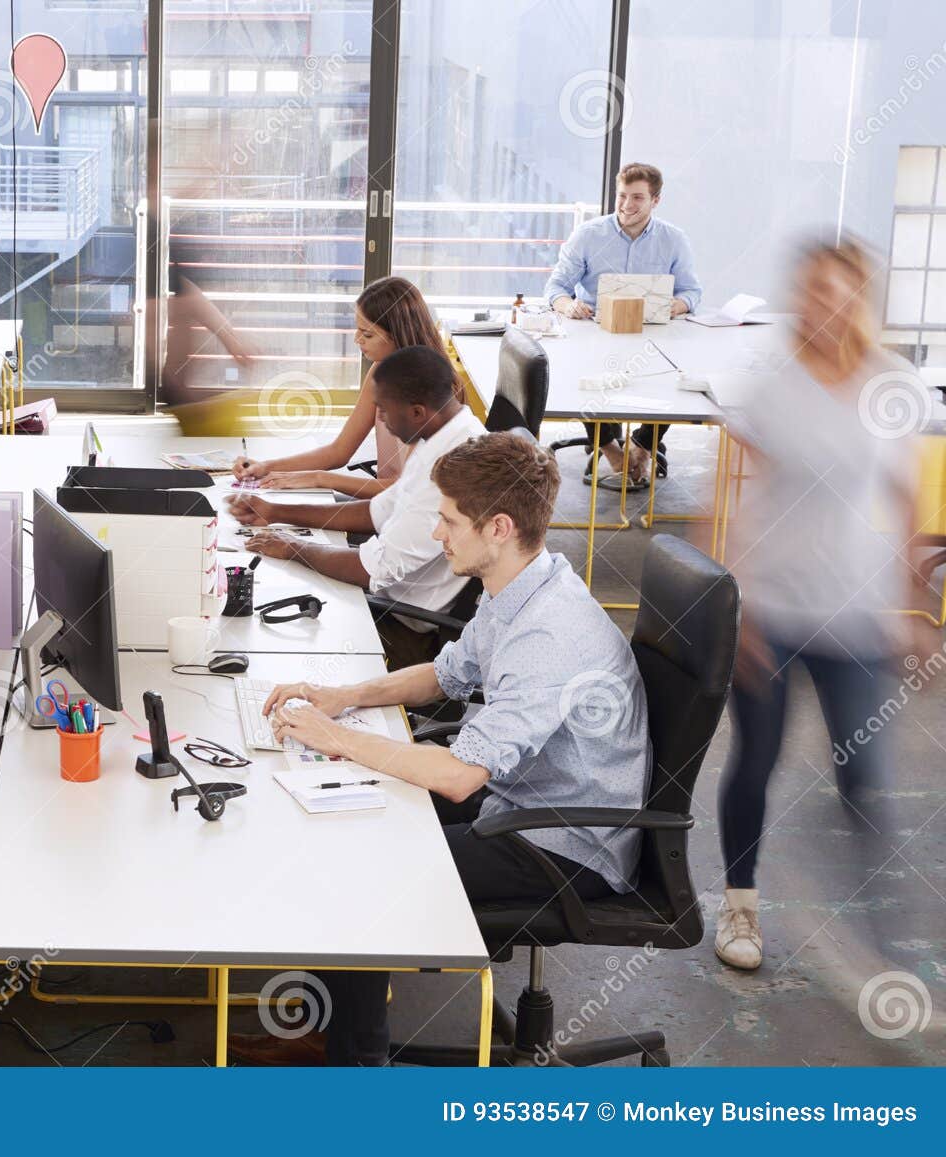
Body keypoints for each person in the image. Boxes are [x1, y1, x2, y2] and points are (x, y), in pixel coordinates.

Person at [227, 433, 651, 1066]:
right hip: (521, 797)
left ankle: (354, 1069)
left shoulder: (549, 635)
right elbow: (446, 674)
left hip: (566, 841)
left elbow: (457, 777)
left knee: (374, 872)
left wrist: (336, 738)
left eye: (449, 521)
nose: (436, 534)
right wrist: (342, 696)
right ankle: (331, 1028)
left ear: (498, 527)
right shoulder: (523, 584)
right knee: (350, 824)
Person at [712, 240, 930, 973]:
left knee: (864, 776)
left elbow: (906, 500)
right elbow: (740, 501)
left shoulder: (892, 384)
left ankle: (889, 942)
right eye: (809, 291)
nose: (820, 306)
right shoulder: (774, 386)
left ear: (859, 299)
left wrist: (911, 606)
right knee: (755, 761)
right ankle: (740, 905)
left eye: (835, 292)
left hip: (856, 614)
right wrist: (738, 604)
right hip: (772, 611)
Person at [224, 346, 485, 668]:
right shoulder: (440, 436)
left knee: (270, 636)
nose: (382, 420)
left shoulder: (456, 465)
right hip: (385, 598)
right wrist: (275, 512)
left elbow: (372, 569)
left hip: (402, 627)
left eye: (384, 410)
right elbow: (376, 511)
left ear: (417, 412)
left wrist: (292, 547)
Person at [543, 162, 702, 486]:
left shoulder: (673, 239)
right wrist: (568, 305)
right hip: (597, 333)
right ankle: (611, 450)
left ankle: (643, 445)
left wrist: (679, 304)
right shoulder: (588, 235)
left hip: (651, 334)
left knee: (674, 376)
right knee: (586, 379)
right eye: (622, 196)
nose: (627, 205)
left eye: (638, 198)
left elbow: (691, 291)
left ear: (655, 200)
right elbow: (556, 287)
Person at [232, 277, 448, 498]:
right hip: (385, 504)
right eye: (358, 330)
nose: (357, 339)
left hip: (408, 509)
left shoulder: (426, 393)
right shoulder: (381, 370)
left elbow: (406, 490)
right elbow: (339, 451)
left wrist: (321, 478)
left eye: (367, 334)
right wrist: (266, 467)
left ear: (398, 336)